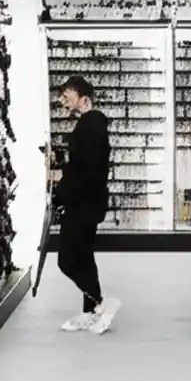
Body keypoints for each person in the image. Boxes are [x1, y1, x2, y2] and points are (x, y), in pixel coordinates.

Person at [52, 76, 120, 334]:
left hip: (82, 203)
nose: (63, 101)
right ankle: (90, 312)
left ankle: (100, 303)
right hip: (87, 201)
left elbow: (86, 170)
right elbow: (84, 165)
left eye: (67, 97)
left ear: (84, 99)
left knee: (67, 259)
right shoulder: (90, 125)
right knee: (84, 256)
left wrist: (62, 186)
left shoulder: (89, 126)